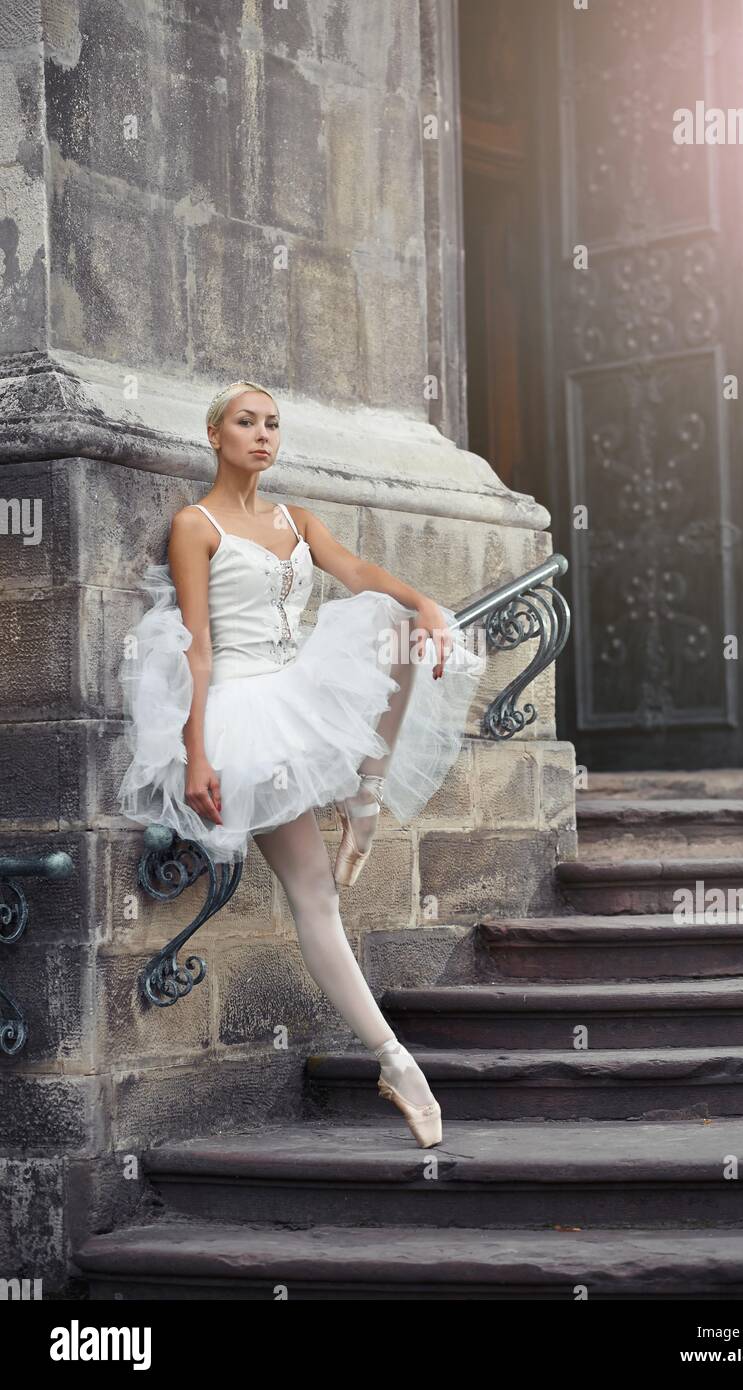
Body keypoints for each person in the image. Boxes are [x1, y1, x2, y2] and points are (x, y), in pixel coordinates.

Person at [117, 380, 485, 1148]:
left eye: (272, 424)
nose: (262, 435)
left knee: (390, 625)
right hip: (243, 712)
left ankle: (366, 803)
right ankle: (395, 1060)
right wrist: (196, 755)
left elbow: (356, 575)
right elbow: (196, 646)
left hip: (299, 685)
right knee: (314, 895)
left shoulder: (297, 519)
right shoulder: (196, 524)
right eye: (246, 423)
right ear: (215, 434)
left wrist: (426, 605)